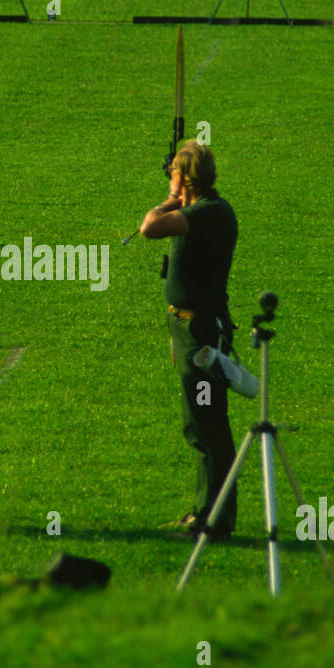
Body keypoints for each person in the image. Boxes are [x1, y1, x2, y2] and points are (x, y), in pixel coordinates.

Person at [140, 142, 238, 541]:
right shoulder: (209, 209)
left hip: (199, 337)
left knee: (208, 425)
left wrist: (168, 197)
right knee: (200, 424)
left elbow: (149, 227)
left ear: (186, 177)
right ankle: (204, 511)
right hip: (188, 332)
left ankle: (213, 521)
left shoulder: (205, 215)